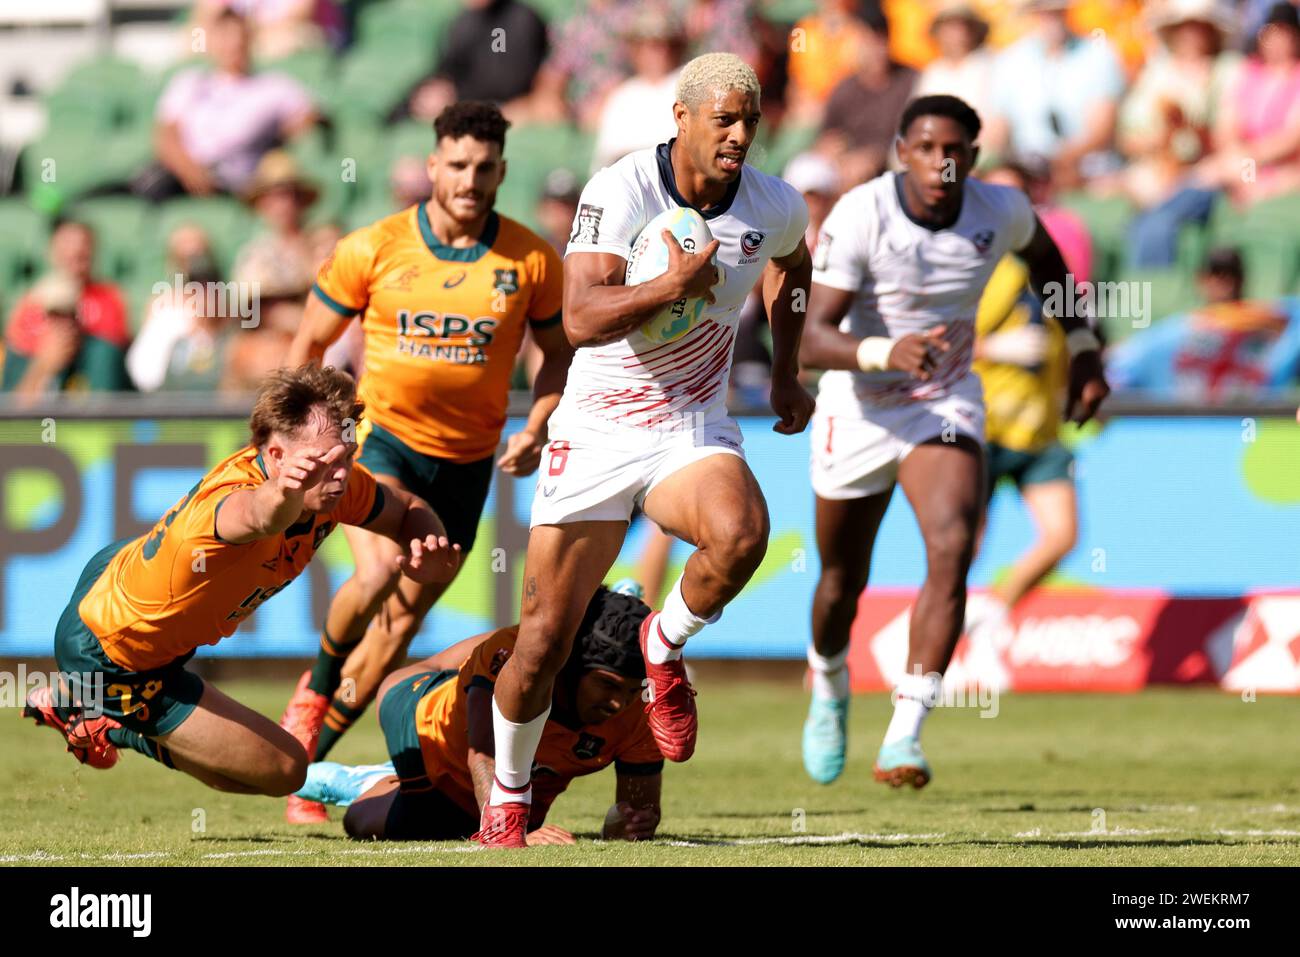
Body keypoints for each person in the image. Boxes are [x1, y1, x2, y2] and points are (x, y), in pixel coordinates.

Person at [477, 52, 815, 848]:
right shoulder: (620, 188)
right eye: (723, 119)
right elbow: (584, 318)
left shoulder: (777, 204)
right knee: (542, 639)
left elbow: (793, 271)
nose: (738, 134)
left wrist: (788, 372)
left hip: (689, 422)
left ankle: (659, 648)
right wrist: (673, 286)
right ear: (683, 117)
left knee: (741, 534)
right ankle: (509, 802)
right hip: (597, 427)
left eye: (750, 120)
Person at [797, 95, 1108, 788]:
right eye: (927, 147)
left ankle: (905, 733)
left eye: (956, 150)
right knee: (841, 580)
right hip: (859, 404)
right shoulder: (861, 212)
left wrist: (1084, 348)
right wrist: (884, 352)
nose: (942, 161)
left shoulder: (999, 211)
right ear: (901, 151)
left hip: (943, 401)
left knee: (951, 543)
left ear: (974, 154)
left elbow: (1051, 270)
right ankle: (828, 679)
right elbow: (813, 340)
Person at [280, 102, 573, 824]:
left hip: (468, 468)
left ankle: (305, 770)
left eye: (484, 167)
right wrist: (304, 435)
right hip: (382, 443)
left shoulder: (531, 260)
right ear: (433, 165)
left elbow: (558, 359)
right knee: (376, 574)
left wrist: (538, 423)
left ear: (501, 170)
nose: (470, 179)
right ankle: (310, 700)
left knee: (399, 627)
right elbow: (305, 348)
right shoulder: (373, 248)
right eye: (457, 165)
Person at [24, 364, 461, 797]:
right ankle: (103, 720)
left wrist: (431, 545)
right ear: (275, 457)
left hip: (120, 576)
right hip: (112, 652)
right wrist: (286, 492)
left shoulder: (330, 487)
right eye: (326, 462)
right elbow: (261, 513)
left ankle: (98, 709)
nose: (343, 474)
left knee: (241, 765)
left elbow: (404, 510)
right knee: (286, 772)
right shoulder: (234, 509)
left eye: (348, 457)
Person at [295, 585, 663, 843]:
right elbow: (482, 754)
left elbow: (637, 810)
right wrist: (510, 830)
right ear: (573, 665)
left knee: (486, 816)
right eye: (607, 685)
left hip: (512, 784)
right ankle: (363, 781)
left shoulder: (639, 715)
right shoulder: (522, 666)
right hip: (427, 727)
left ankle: (600, 612)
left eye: (633, 689)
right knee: (362, 823)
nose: (619, 703)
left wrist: (628, 824)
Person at [963, 164, 1080, 679]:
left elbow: (1071, 334)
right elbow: (932, 344)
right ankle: (936, 657)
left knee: (1062, 536)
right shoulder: (971, 268)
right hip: (980, 425)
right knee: (963, 549)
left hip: (1038, 429)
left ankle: (988, 613)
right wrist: (995, 347)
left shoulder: (1050, 266)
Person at [135, 9, 317, 199]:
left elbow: (309, 117)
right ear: (213, 42)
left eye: (238, 37)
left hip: (237, 180)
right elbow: (166, 135)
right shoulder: (190, 82)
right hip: (183, 177)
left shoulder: (274, 86)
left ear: (250, 40)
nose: (233, 45)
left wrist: (274, 143)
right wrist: (192, 173)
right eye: (225, 37)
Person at [985, 0, 1125, 190]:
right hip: (1030, 173)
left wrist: (1061, 162)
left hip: (1091, 174)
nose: (1052, 18)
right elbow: (997, 130)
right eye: (1044, 11)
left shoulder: (1099, 54)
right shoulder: (1010, 60)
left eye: (1057, 11)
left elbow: (1101, 130)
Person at [2, 221, 131, 396]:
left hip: (90, 384)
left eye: (83, 245)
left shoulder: (108, 297)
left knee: (103, 353)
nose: (76, 251)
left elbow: (111, 355)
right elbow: (15, 398)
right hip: (41, 391)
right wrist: (45, 362)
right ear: (52, 250)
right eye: (67, 243)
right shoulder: (30, 303)